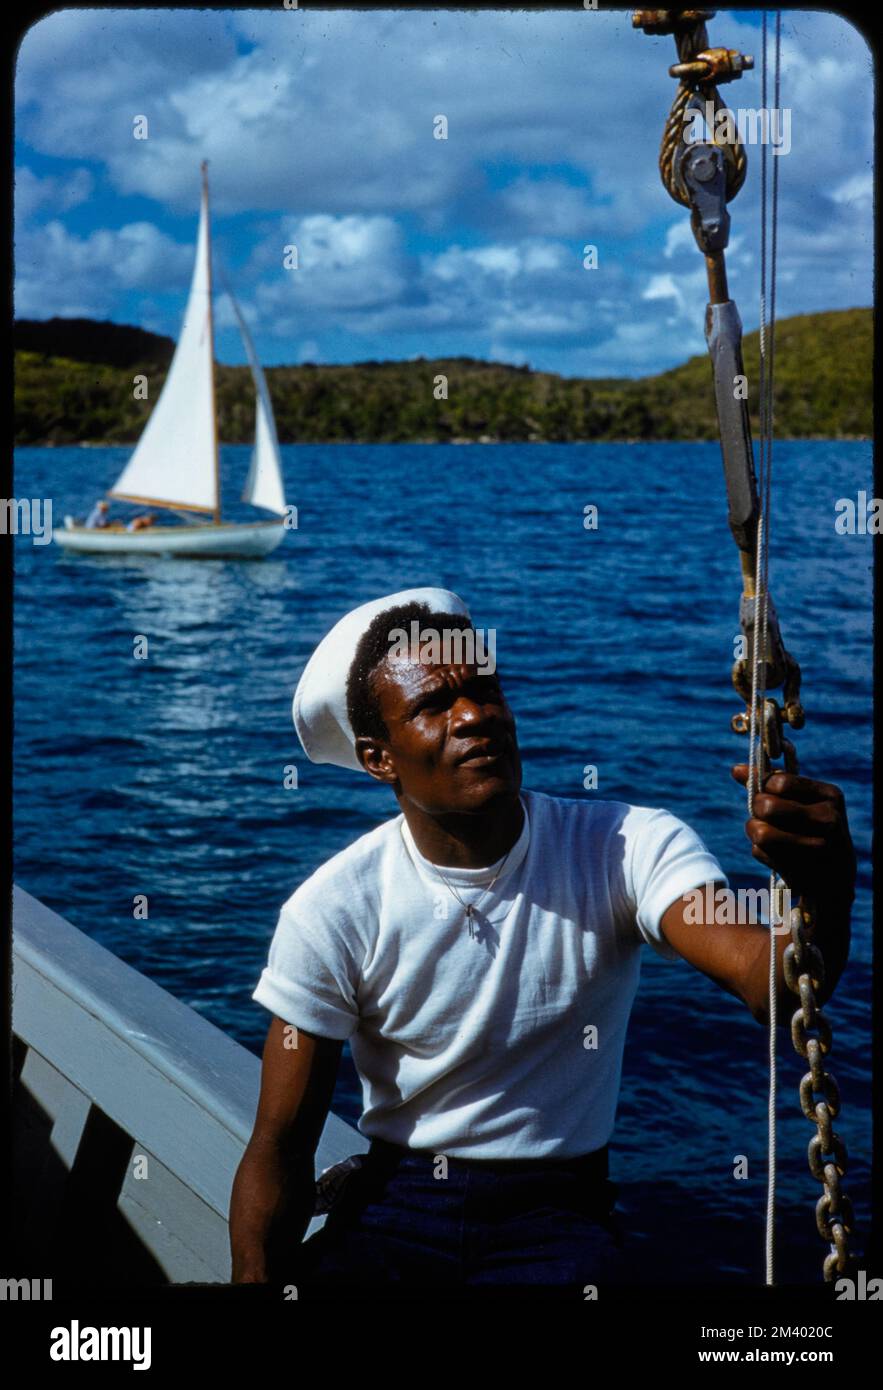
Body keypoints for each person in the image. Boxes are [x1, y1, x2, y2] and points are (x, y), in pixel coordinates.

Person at [229, 587, 856, 1300]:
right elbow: (280, 1145)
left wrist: (825, 886)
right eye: (435, 705)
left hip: (557, 1218)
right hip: (394, 1209)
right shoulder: (333, 908)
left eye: (485, 689)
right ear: (378, 759)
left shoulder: (627, 848)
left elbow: (771, 985)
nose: (476, 716)